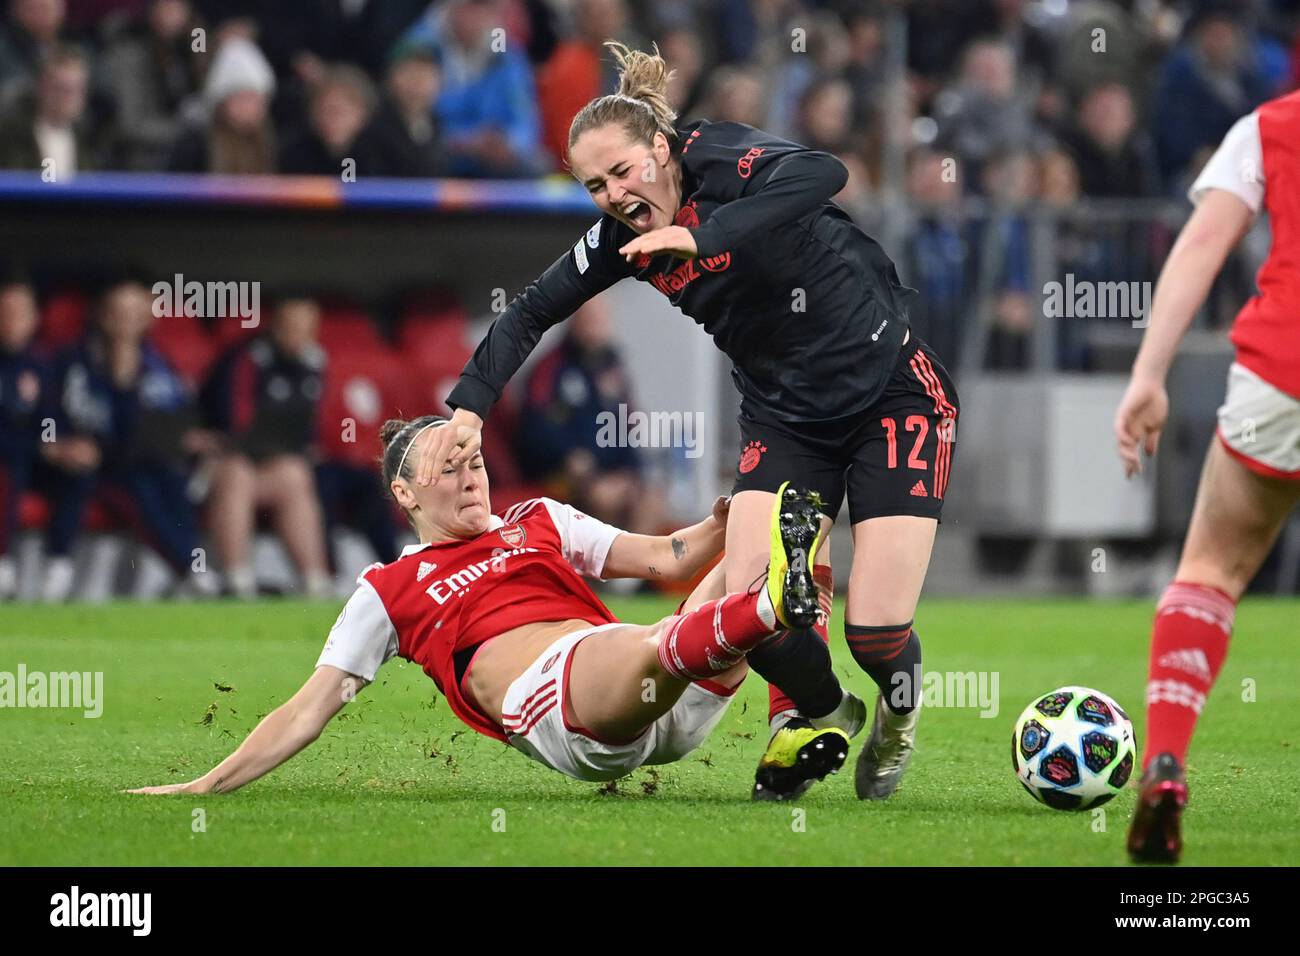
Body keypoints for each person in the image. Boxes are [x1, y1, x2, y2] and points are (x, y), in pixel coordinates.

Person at [417, 42, 961, 802]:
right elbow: (532, 311)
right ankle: (829, 708)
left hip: (892, 395)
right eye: (594, 185)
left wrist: (704, 236)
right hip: (785, 419)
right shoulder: (619, 240)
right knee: (753, 611)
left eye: (623, 171)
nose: (612, 194)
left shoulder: (721, 155)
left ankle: (897, 720)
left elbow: (822, 175)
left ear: (663, 149)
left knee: (875, 633)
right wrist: (468, 409)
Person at [126, 416, 837, 794]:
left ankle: (785, 684)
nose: (470, 476)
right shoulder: (389, 588)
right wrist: (205, 785)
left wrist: (719, 525)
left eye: (474, 460)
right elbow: (309, 708)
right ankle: (779, 604)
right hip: (575, 709)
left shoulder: (539, 519)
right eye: (448, 467)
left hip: (667, 696)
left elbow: (665, 559)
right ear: (404, 494)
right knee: (655, 637)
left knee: (761, 522)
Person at [1114, 88, 1300, 863]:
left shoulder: (1271, 126)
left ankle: (1166, 761)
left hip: (1281, 372)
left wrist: (1149, 375)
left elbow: (1200, 246)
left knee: (1211, 571)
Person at [38, 277, 213, 601]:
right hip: (75, 463)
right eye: (119, 313)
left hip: (134, 461)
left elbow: (174, 417)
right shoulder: (71, 360)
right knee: (91, 476)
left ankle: (192, 571)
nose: (127, 323)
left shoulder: (156, 364)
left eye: (136, 314)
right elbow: (45, 412)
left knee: (163, 478)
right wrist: (55, 443)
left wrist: (190, 437)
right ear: (101, 315)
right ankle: (56, 568)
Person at [201, 296, 331, 598]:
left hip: (274, 461)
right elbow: (234, 423)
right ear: (274, 325)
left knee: (295, 474)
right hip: (221, 459)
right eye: (291, 327)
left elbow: (313, 423)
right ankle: (237, 580)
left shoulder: (314, 363)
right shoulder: (246, 358)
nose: (299, 337)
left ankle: (314, 580)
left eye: (306, 329)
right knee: (237, 473)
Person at [0, 274, 43, 600]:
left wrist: (57, 444)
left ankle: (59, 567)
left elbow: (57, 418)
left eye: (19, 312)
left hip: (40, 460)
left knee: (81, 472)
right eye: (5, 312)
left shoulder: (46, 365)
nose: (11, 322)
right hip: (11, 455)